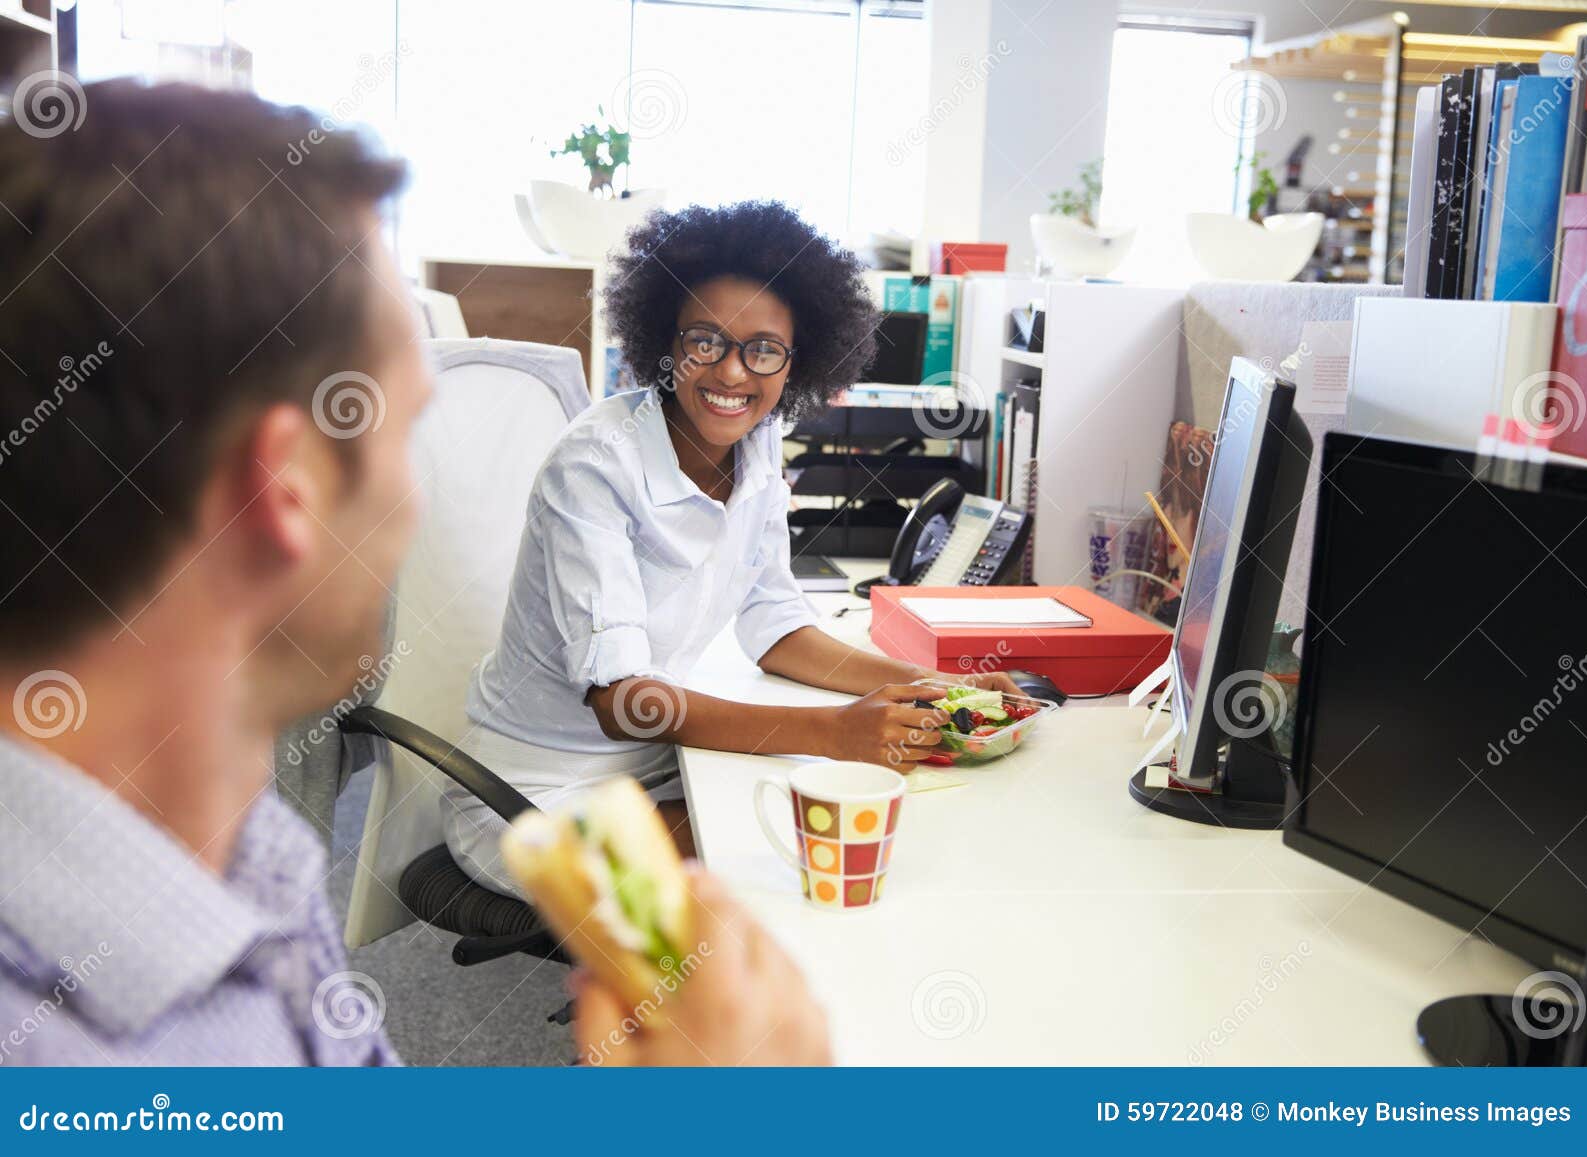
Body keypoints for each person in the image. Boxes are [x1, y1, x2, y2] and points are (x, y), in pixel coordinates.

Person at [0, 80, 824, 1067]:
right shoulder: (73, 1054)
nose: (425, 503)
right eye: (406, 432)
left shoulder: (243, 854)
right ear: (288, 488)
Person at [444, 202, 1020, 891]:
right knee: (780, 869)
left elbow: (775, 626)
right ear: (665, 339)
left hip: (653, 767)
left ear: (794, 361)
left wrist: (926, 688)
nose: (733, 374)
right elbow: (624, 699)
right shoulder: (596, 466)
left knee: (864, 834)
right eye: (705, 341)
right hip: (538, 797)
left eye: (764, 349)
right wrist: (834, 732)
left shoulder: (757, 440)